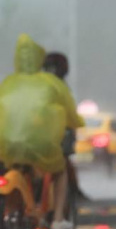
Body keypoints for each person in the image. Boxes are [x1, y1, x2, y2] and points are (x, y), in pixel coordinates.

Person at [0, 34, 84, 229]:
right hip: (41, 143)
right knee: (60, 170)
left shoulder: (8, 82)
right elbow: (70, 115)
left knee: (19, 166)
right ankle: (57, 219)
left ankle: (16, 211)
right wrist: (76, 124)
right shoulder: (52, 83)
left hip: (6, 141)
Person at [43, 52, 91, 203]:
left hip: (36, 133)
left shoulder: (37, 84)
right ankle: (61, 208)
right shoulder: (61, 87)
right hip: (54, 133)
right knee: (63, 164)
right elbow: (70, 114)